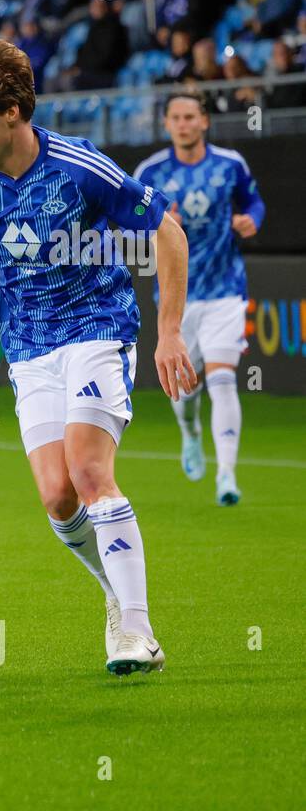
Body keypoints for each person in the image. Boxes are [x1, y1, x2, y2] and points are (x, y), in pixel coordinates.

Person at [0, 41, 195, 676]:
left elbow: (167, 229)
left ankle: (137, 632)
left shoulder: (81, 168)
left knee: (88, 470)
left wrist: (169, 333)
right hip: (29, 349)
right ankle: (115, 591)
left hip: (98, 327)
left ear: (10, 114)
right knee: (58, 498)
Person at [132, 91, 265, 505]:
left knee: (224, 379)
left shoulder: (230, 165)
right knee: (185, 386)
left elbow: (254, 201)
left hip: (226, 287)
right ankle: (190, 434)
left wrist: (251, 220)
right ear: (167, 123)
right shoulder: (150, 171)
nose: (184, 124)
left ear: (204, 121)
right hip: (177, 296)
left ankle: (227, 474)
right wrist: (158, 225)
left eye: (191, 116)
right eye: (176, 117)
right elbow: (131, 226)